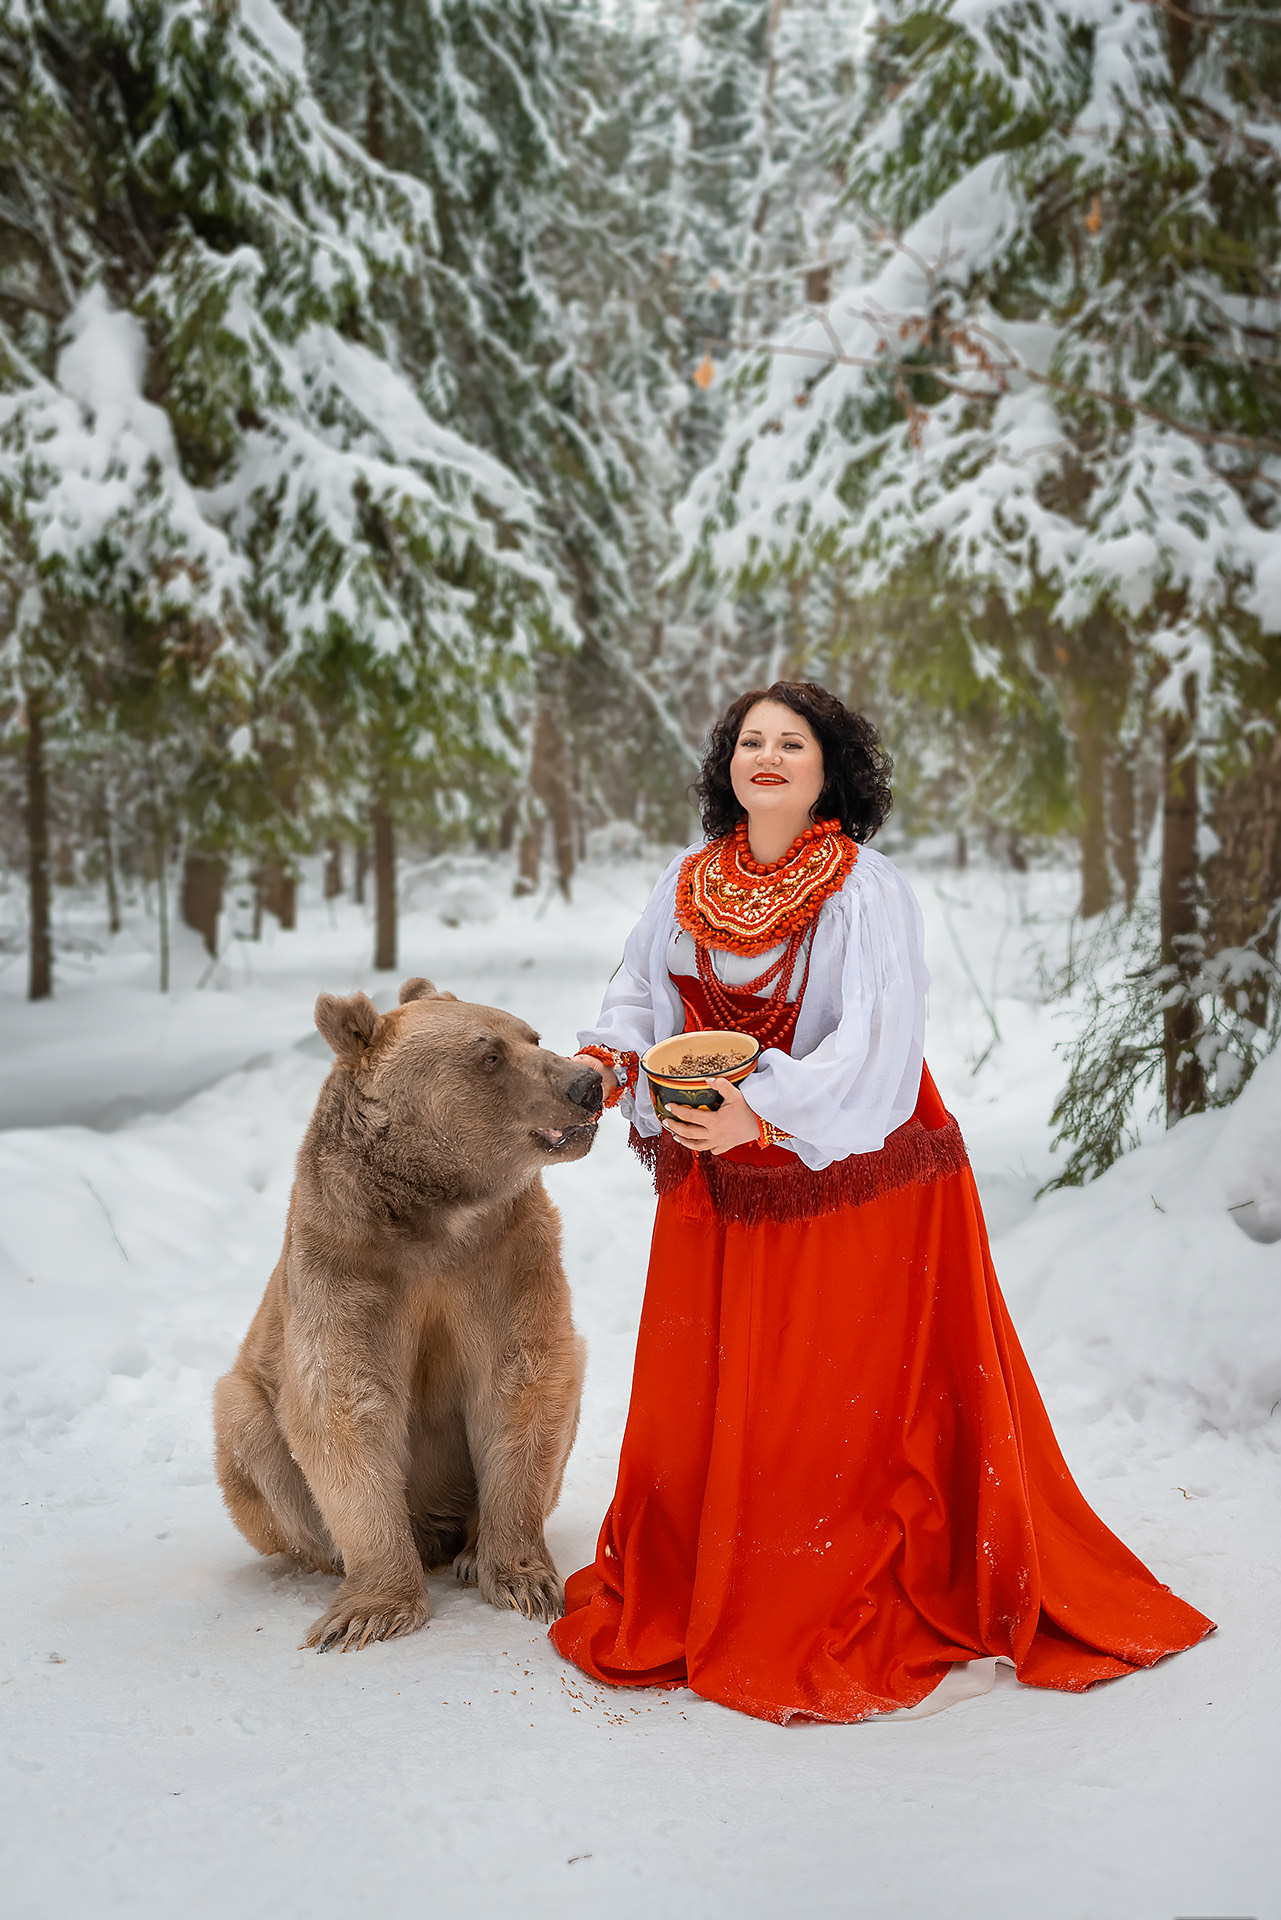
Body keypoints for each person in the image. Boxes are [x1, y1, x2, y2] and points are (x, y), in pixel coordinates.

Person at [549, 681, 1213, 1725]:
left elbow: (879, 1056)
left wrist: (759, 1115)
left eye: (793, 743)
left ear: (830, 770)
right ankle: (713, 1573)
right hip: (718, 1175)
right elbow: (641, 999)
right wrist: (617, 1063)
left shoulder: (866, 889)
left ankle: (810, 1585)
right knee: (725, 1383)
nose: (767, 756)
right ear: (729, 764)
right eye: (750, 741)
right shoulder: (686, 882)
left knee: (831, 1395)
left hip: (853, 1172)